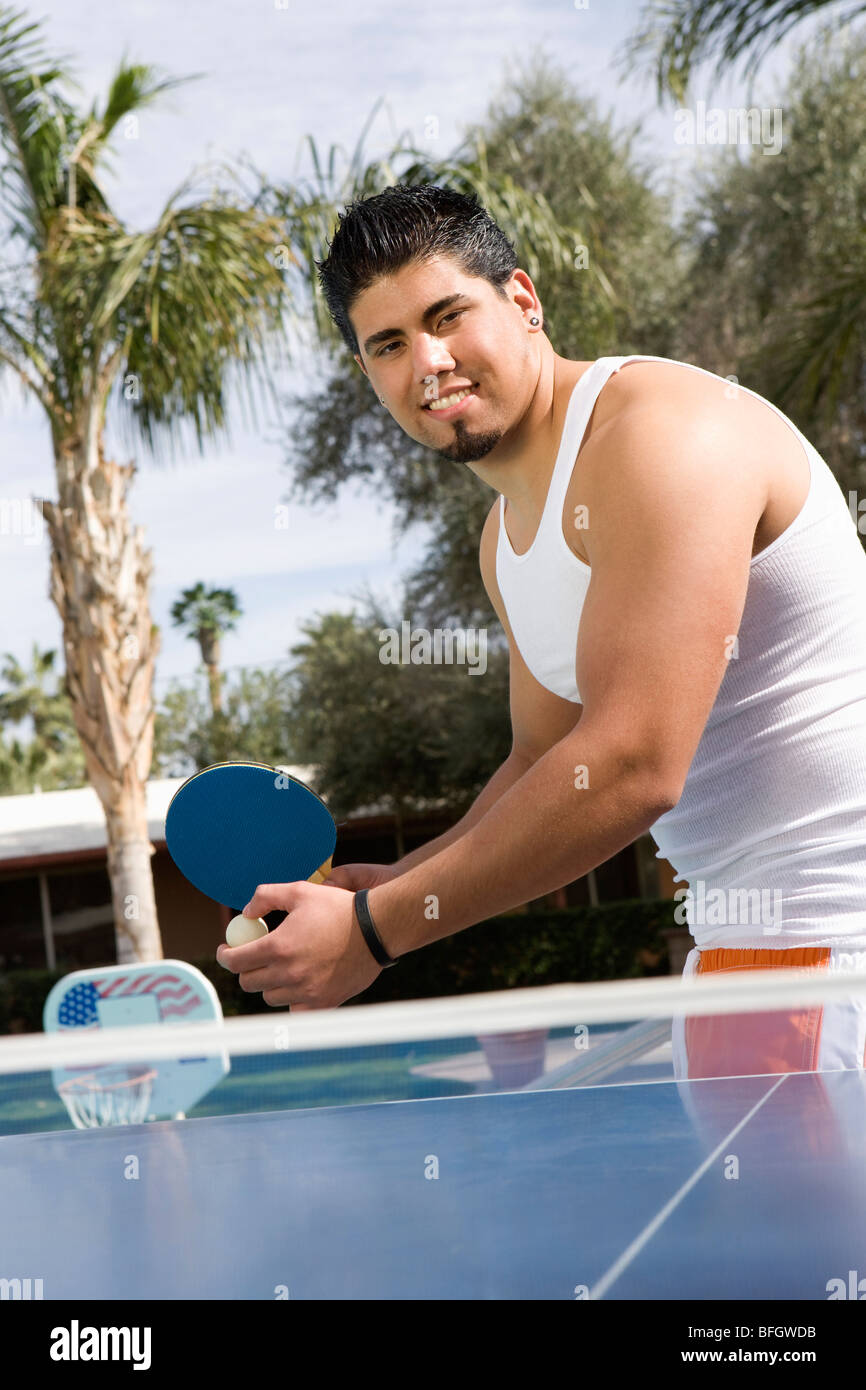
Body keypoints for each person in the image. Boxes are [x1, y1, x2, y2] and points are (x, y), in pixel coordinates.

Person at [216, 184, 866, 1078]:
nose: (430, 362)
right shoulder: (507, 537)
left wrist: (376, 933)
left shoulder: (662, 436)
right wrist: (398, 883)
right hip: (738, 970)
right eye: (390, 345)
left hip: (842, 951)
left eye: (449, 316)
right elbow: (538, 762)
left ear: (523, 301)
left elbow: (634, 764)